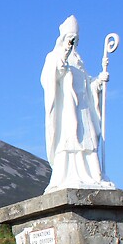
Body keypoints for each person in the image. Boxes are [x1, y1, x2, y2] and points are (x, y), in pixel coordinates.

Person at [41, 15, 115, 192]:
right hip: (67, 107)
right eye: (69, 38)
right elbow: (51, 77)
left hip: (83, 108)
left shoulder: (79, 61)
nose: (72, 42)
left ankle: (94, 175)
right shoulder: (54, 57)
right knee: (69, 138)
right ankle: (68, 175)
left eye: (75, 39)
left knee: (88, 141)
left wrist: (98, 82)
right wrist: (62, 61)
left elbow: (87, 85)